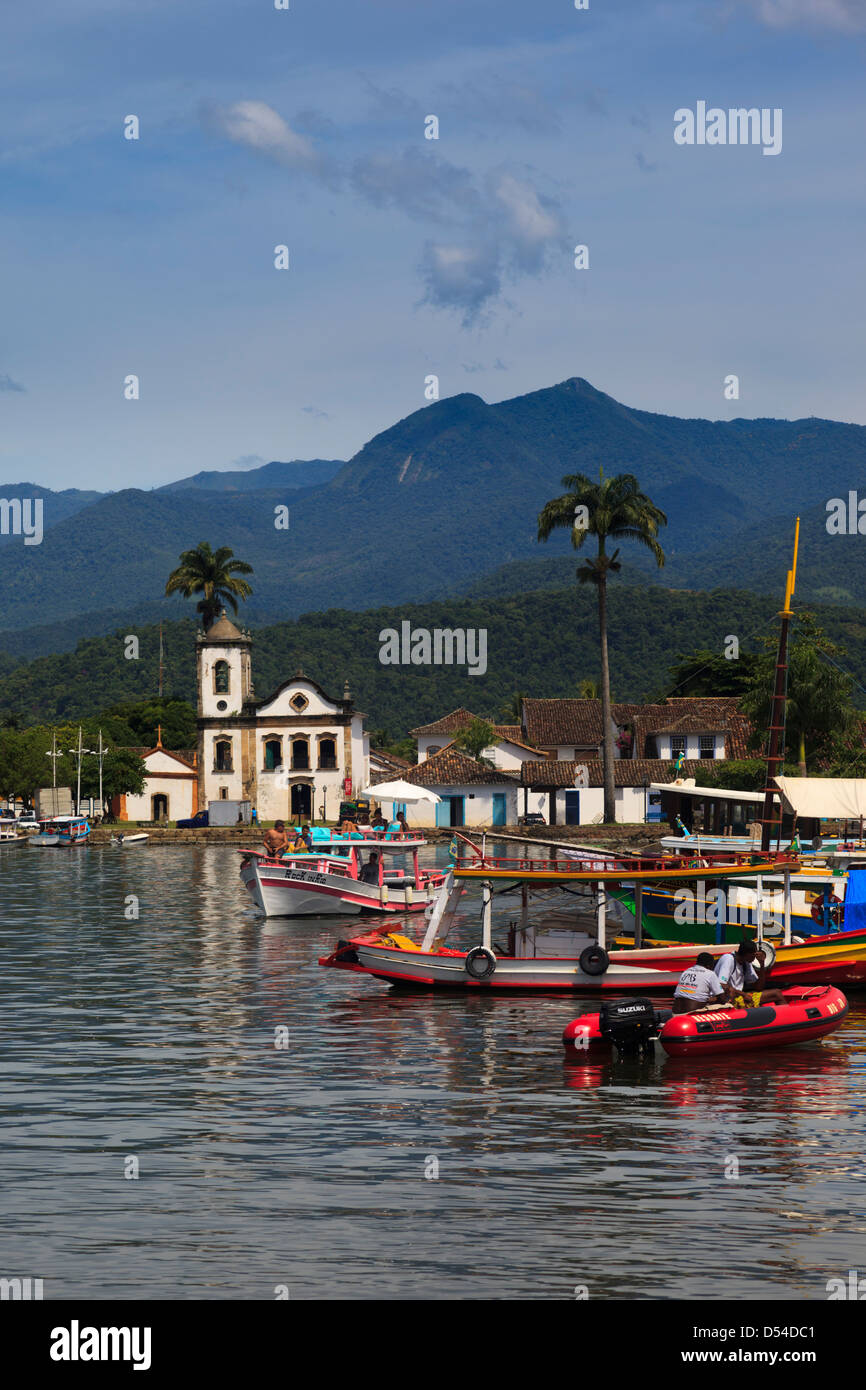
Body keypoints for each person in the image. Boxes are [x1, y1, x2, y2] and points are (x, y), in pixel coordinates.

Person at [714, 941, 785, 1007]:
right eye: (753, 955)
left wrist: (762, 964)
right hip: (727, 999)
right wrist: (743, 994)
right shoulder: (728, 959)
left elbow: (758, 987)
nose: (755, 958)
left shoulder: (746, 962)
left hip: (739, 997)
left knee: (777, 993)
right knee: (776, 993)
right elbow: (722, 984)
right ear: (746, 954)